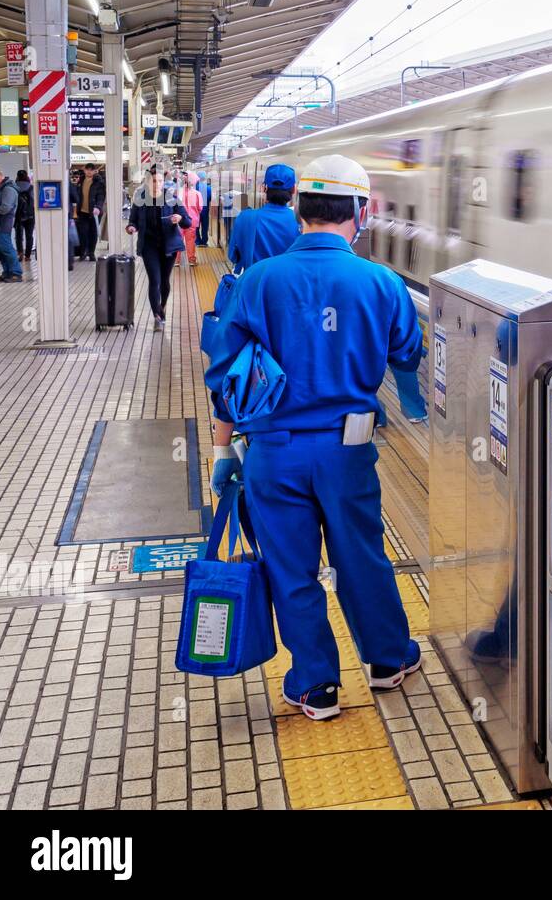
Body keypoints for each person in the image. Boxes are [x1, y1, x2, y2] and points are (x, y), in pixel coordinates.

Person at [204, 155, 423, 721]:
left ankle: (315, 686)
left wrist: (222, 450)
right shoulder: (382, 282)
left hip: (271, 452)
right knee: (361, 556)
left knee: (291, 567)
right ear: (362, 212)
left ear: (299, 208)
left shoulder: (257, 280)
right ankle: (387, 660)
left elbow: (225, 378)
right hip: (348, 451)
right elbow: (408, 353)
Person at [127, 169, 191, 329]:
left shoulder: (172, 199)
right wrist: (131, 227)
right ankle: (157, 316)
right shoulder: (139, 201)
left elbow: (188, 222)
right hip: (149, 246)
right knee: (154, 280)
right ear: (147, 182)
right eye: (154, 181)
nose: (157, 184)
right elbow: (133, 220)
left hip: (169, 246)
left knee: (164, 281)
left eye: (160, 181)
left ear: (164, 182)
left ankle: (162, 306)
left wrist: (180, 218)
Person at [227, 163, 299, 273]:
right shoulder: (301, 223)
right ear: (294, 189)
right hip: (288, 287)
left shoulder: (245, 217)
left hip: (253, 285)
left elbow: (233, 256)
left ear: (264, 188)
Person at [75, 163, 105, 262]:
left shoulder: (98, 181)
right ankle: (83, 252)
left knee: (93, 233)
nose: (89, 171)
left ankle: (91, 253)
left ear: (94, 171)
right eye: (87, 169)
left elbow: (101, 196)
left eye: (91, 170)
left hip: (95, 213)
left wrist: (98, 207)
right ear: (84, 170)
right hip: (82, 212)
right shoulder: (81, 180)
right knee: (83, 233)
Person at [176, 171, 203, 266]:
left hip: (179, 220)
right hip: (192, 220)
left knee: (178, 239)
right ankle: (192, 260)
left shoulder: (178, 192)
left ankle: (176, 261)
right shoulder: (197, 194)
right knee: (190, 240)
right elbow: (200, 208)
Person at [13, 169, 35, 264]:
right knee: (29, 235)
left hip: (18, 215)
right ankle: (28, 255)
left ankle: (20, 253)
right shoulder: (31, 187)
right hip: (30, 215)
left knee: (18, 236)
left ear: (17, 177)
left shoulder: (14, 187)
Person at [196, 171, 211, 247]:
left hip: (196, 211)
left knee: (196, 226)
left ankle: (197, 241)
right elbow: (211, 198)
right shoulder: (209, 188)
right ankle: (204, 242)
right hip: (205, 211)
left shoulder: (195, 187)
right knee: (205, 226)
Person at [219, 181, 236, 247]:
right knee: (232, 226)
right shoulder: (236, 194)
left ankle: (228, 240)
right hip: (233, 213)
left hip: (226, 212)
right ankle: (231, 241)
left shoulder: (223, 194)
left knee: (227, 226)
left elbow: (222, 204)